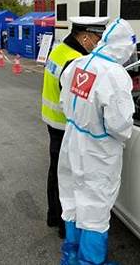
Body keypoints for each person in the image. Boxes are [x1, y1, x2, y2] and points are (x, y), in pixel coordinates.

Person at [58, 18, 137, 265]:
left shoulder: (79, 63)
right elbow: (120, 125)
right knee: (95, 207)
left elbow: (63, 101)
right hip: (98, 151)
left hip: (72, 139)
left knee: (72, 199)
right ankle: (90, 262)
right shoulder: (116, 75)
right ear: (124, 47)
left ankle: (71, 255)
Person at [41, 17, 108, 239]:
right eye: (96, 39)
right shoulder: (75, 62)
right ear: (85, 37)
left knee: (55, 172)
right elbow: (79, 104)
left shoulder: (59, 50)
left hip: (52, 122)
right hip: (65, 128)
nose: (97, 44)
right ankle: (64, 226)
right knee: (68, 179)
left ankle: (53, 216)